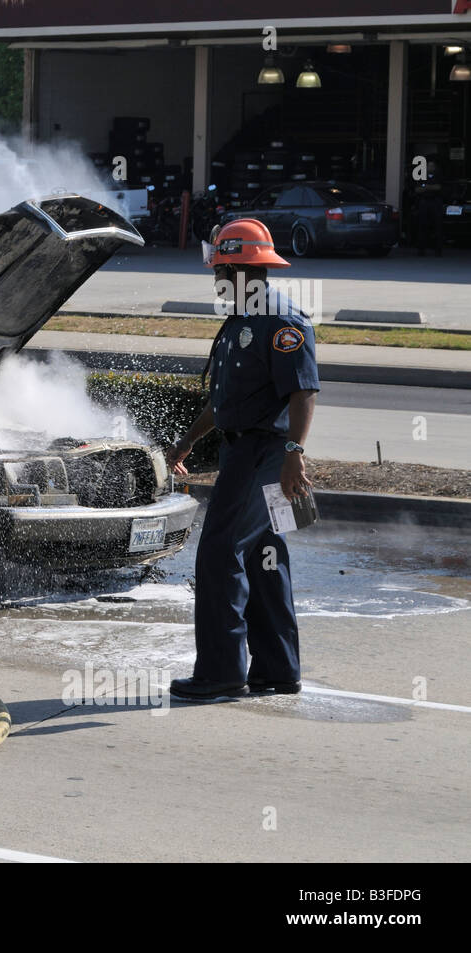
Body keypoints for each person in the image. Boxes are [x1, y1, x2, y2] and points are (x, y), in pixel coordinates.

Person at [165, 218, 320, 700]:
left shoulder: (281, 320)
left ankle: (220, 672)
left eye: (220, 271)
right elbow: (225, 398)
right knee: (262, 557)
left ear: (240, 269)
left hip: (264, 453)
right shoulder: (243, 316)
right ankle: (276, 668)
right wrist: (188, 441)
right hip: (246, 448)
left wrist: (294, 453)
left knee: (218, 552)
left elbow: (302, 391)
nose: (214, 280)